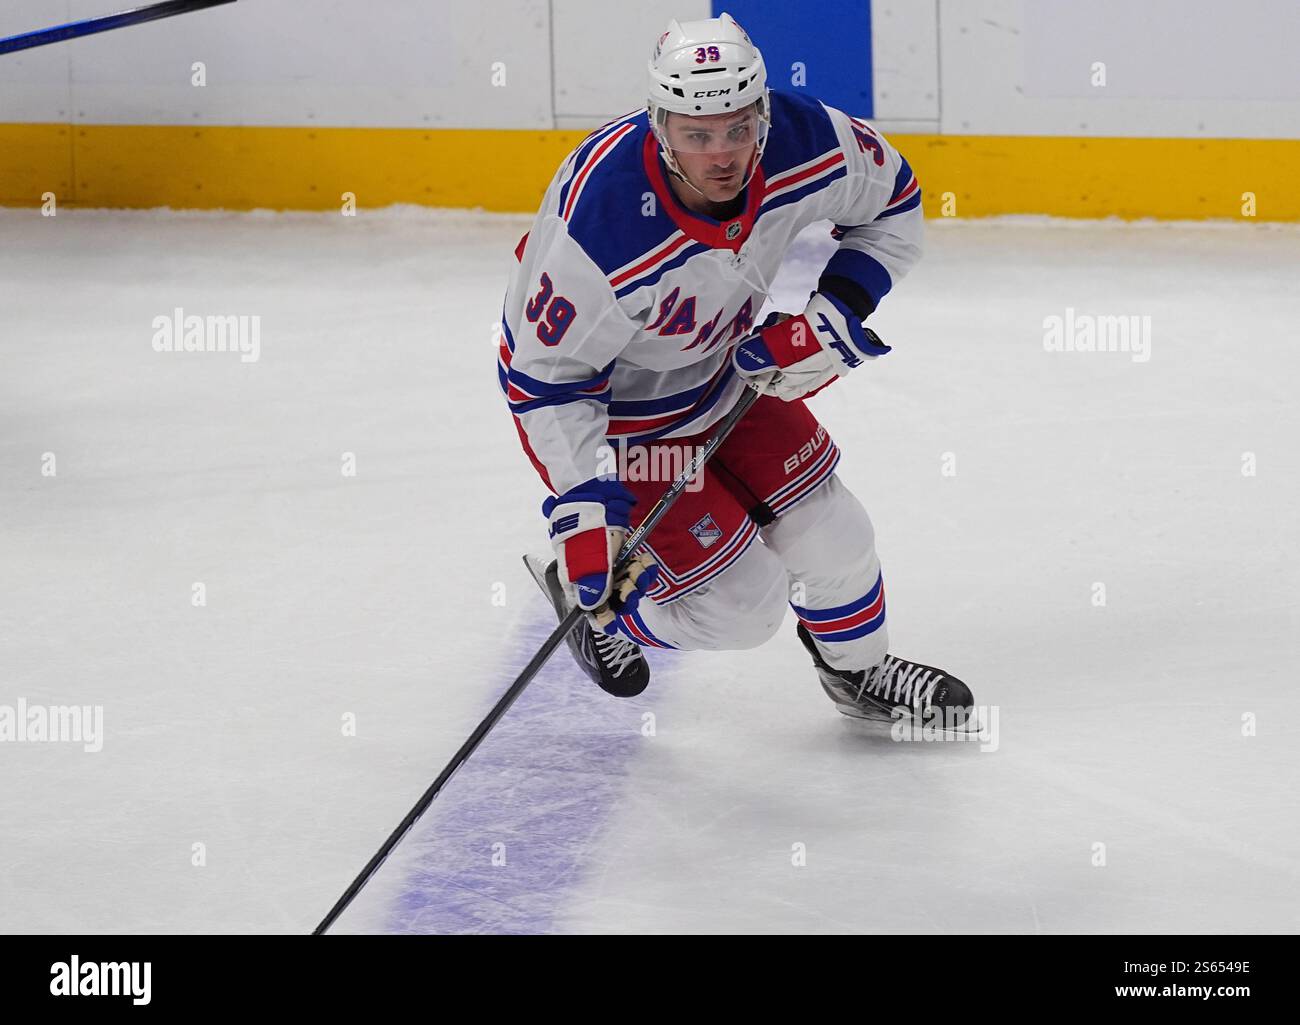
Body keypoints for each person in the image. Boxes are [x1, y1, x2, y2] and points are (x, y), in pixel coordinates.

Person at [501, 13, 974, 726]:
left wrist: (836, 310)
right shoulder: (599, 226)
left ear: (763, 112)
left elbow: (895, 201)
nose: (721, 153)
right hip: (621, 420)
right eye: (697, 134)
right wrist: (585, 502)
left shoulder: (803, 138)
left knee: (835, 532)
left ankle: (861, 673)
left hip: (723, 374)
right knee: (741, 609)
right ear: (661, 126)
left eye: (738, 128)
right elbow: (546, 379)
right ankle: (605, 618)